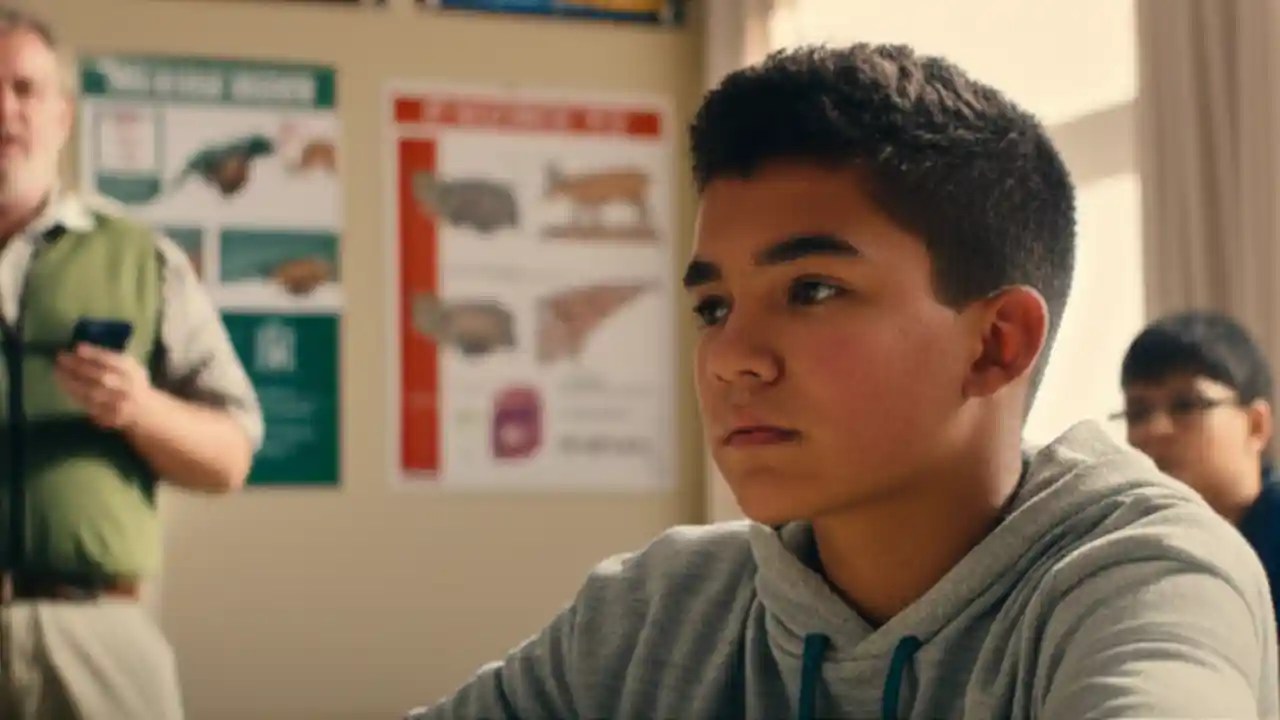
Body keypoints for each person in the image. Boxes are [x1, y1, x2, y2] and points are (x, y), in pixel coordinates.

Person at [408, 44, 1279, 719]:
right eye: (713, 306)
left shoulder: (1148, 580)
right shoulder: (653, 616)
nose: (729, 357)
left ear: (995, 345)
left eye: (811, 290)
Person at [0, 8, 263, 719]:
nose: (5, 110)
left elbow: (230, 454)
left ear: (61, 114)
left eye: (25, 89)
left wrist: (139, 409)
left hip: (97, 640)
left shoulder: (143, 258)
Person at [1119, 310, 1280, 626]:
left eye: (1186, 405)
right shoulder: (1135, 543)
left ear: (1256, 425)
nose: (1155, 429)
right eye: (1138, 413)